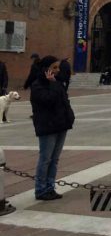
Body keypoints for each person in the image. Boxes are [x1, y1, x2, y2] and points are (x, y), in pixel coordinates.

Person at [30, 55, 75, 201]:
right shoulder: (38, 85)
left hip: (61, 125)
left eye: (58, 67)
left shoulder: (57, 83)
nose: (57, 70)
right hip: (48, 127)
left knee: (54, 159)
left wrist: (70, 117)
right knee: (45, 159)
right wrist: (53, 84)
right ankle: (41, 189)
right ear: (46, 69)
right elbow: (49, 100)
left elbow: (64, 101)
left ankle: (50, 187)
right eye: (54, 68)